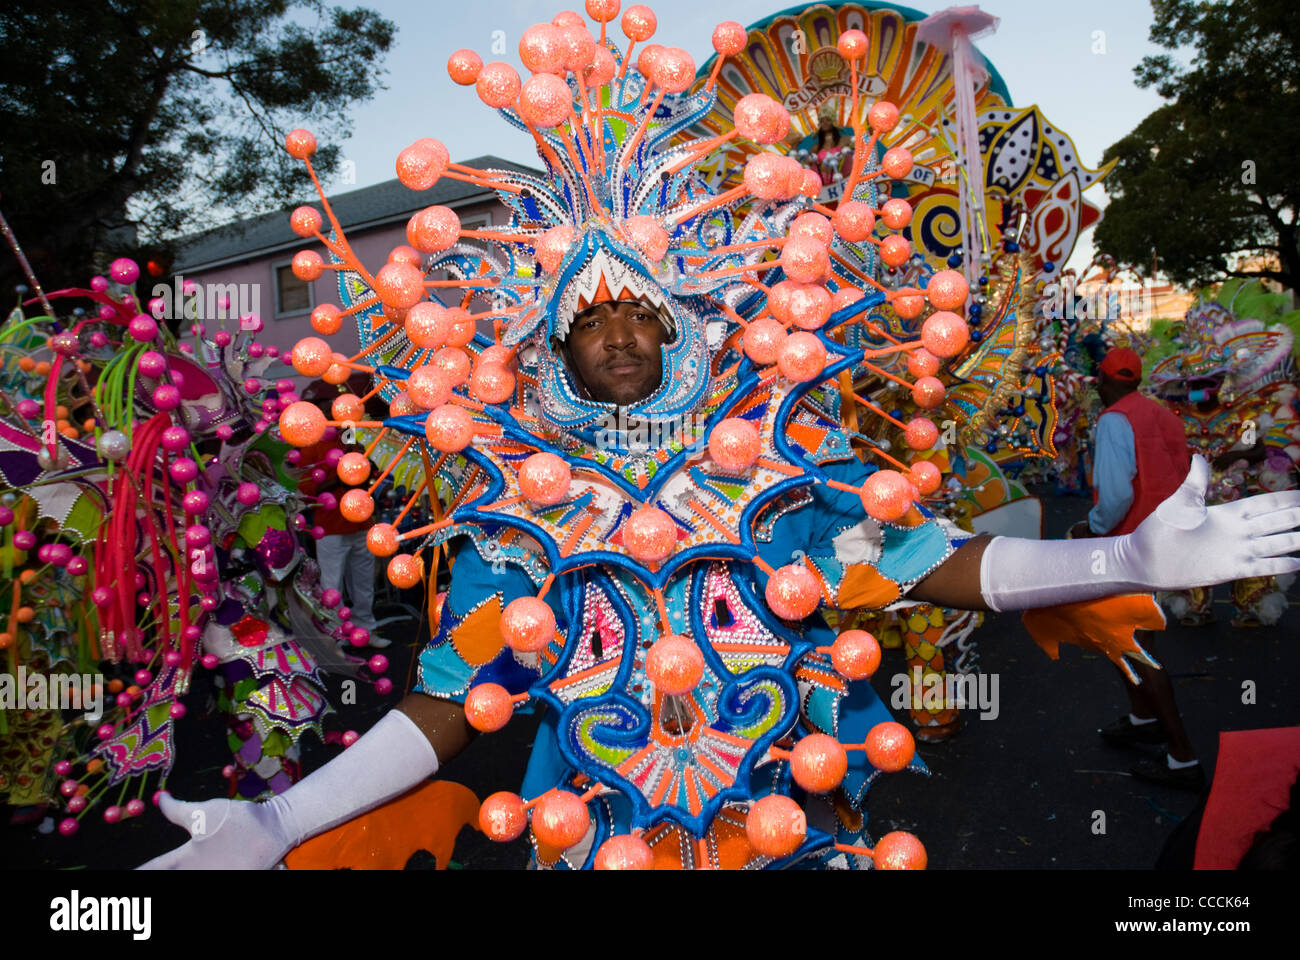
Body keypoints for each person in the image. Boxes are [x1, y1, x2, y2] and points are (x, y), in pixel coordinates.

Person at [137, 10, 1300, 870]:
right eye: (591, 324)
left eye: (643, 314)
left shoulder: (769, 460)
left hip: (793, 835)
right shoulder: (515, 509)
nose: (621, 338)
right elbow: (453, 701)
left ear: (684, 325)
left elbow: (933, 563)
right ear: (550, 352)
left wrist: (1127, 563)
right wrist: (279, 823)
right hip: (595, 845)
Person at [1068, 348, 1202, 789]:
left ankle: (1182, 757)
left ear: (1106, 382)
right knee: (1120, 638)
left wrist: (1091, 527)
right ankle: (1144, 718)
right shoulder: (1163, 416)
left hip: (1130, 543)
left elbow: (1118, 495)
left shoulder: (1113, 421)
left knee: (1134, 644)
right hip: (1167, 538)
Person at [296, 382, 389, 649]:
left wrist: (362, 461)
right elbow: (307, 490)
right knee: (332, 588)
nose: (337, 410)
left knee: (364, 584)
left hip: (363, 521)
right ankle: (334, 637)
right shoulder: (311, 443)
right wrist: (342, 474)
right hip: (331, 528)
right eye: (329, 405)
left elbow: (373, 471)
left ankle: (366, 629)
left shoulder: (352, 434)